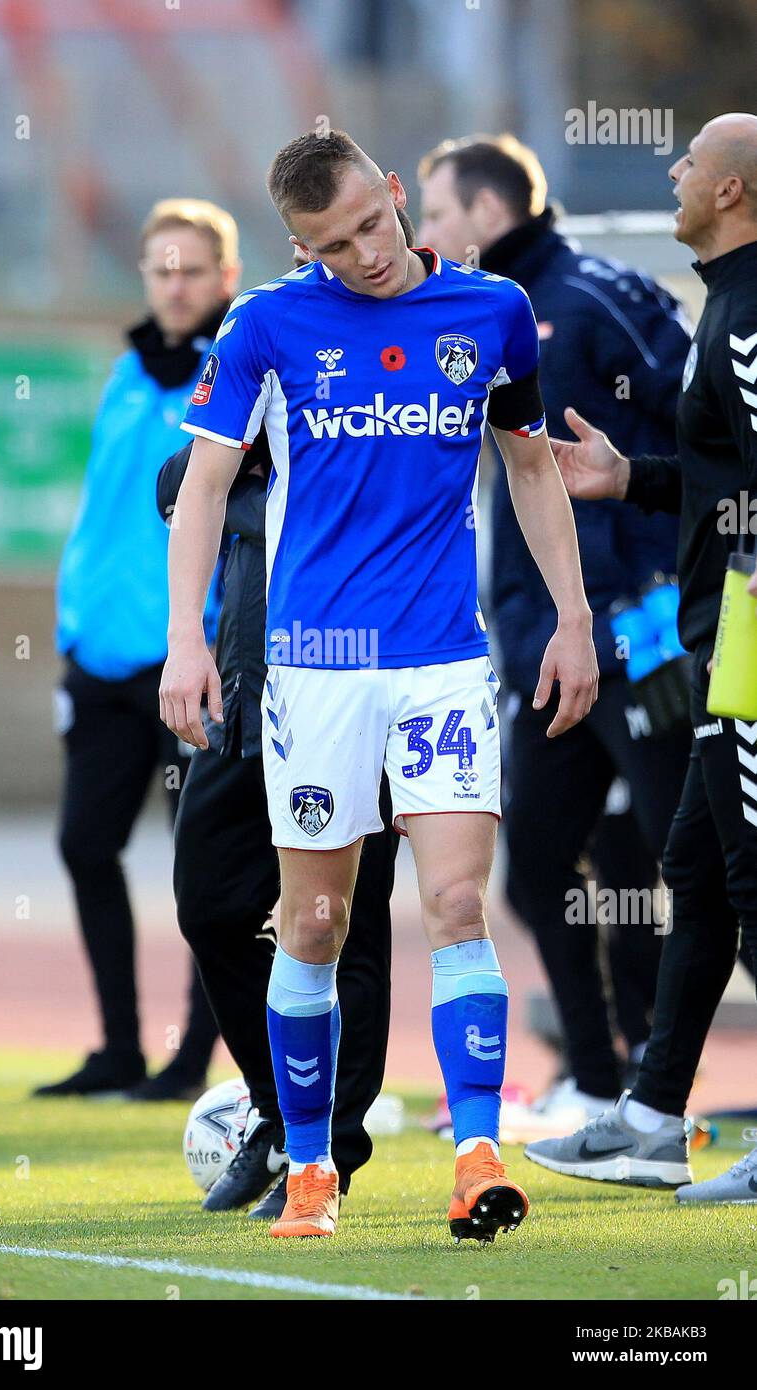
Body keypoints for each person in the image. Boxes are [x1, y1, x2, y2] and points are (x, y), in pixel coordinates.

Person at [160, 129, 598, 1243]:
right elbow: (205, 486)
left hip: (443, 660)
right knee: (311, 922)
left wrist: (572, 620)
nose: (363, 254)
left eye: (370, 222)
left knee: (456, 905)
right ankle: (310, 1166)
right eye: (331, 243)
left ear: (396, 194)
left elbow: (532, 465)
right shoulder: (266, 324)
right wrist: (187, 639)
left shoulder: (490, 311)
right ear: (297, 246)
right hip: (315, 674)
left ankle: (475, 1157)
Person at [417, 135, 693, 1118]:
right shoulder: (485, 315)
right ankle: (596, 1080)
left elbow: (706, 429)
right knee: (535, 866)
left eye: (434, 214)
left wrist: (660, 590)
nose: (421, 235)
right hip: (546, 650)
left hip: (645, 643)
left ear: (486, 215)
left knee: (688, 871)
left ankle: (654, 1092)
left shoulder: (589, 299)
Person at [157, 218, 413, 1220]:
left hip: (367, 669)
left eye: (360, 225)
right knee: (211, 896)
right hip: (249, 671)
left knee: (340, 917)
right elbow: (180, 482)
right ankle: (275, 1109)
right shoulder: (261, 323)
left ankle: (330, 1150)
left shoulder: (420, 343)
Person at [523, 113, 757, 1204]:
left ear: (734, 191)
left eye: (692, 161)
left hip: (750, 643)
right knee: (698, 873)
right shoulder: (726, 304)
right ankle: (656, 1115)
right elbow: (727, 478)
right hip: (728, 641)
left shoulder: (752, 313)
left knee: (742, 880)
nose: (672, 170)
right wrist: (632, 479)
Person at [34, 199, 232, 1101]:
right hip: (103, 660)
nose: (176, 284)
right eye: (162, 269)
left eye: (193, 269)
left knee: (203, 863)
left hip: (188, 661)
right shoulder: (124, 374)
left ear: (225, 278)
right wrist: (72, 625)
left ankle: (194, 1057)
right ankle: (118, 1046)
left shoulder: (237, 374)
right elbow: (104, 512)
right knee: (83, 844)